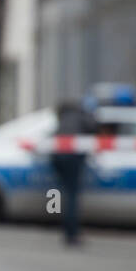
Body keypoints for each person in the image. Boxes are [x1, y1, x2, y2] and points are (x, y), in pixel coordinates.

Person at [50, 95, 99, 246]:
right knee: (72, 195)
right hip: (72, 157)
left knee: (64, 193)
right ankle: (71, 234)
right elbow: (93, 128)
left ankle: (64, 228)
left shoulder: (63, 117)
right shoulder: (81, 115)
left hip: (57, 157)